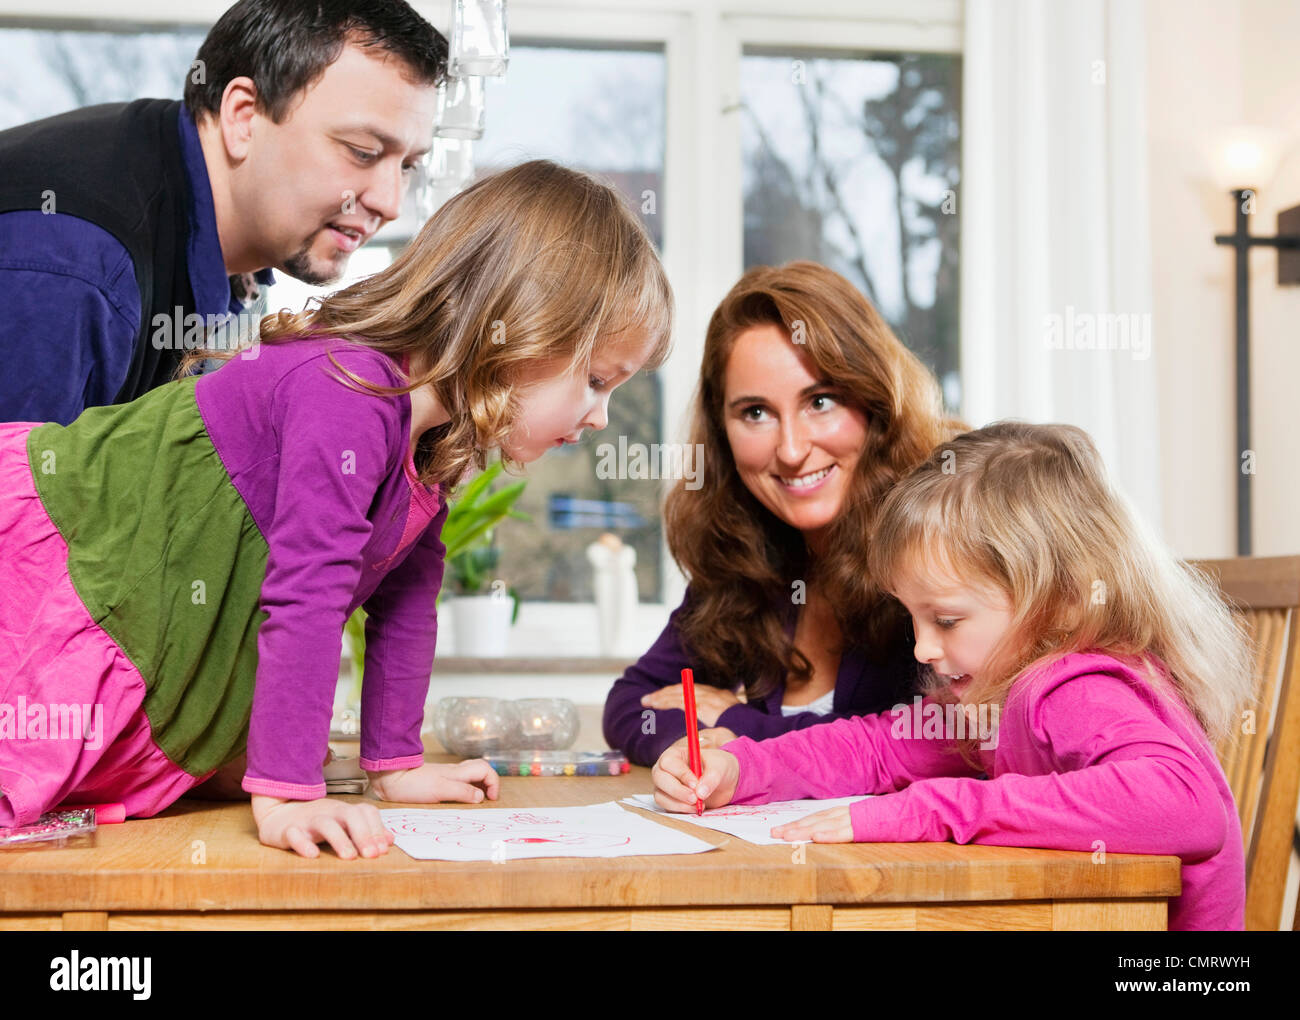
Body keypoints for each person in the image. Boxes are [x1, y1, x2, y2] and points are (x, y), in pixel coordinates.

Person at [0, 160, 673, 860]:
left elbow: (406, 604)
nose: (601, 416)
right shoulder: (349, 387)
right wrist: (288, 791)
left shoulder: (430, 440)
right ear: (522, 324)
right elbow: (310, 591)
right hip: (56, 560)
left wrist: (396, 765)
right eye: (597, 380)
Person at [652, 422, 1252, 930]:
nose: (922, 647)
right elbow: (877, 748)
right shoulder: (994, 693)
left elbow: (1188, 806)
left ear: (1063, 598)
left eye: (945, 619)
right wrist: (744, 769)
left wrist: (935, 808)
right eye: (913, 617)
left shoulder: (1077, 686)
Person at [0, 0, 445, 423]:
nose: (389, 203)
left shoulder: (219, 239)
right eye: (362, 151)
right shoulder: (73, 267)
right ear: (243, 116)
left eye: (408, 166)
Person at [603, 262, 959, 766]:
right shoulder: (750, 552)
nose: (791, 450)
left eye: (821, 401)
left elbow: (942, 739)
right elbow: (632, 705)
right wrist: (707, 747)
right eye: (755, 413)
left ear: (876, 402)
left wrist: (739, 726)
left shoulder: (945, 536)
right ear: (722, 430)